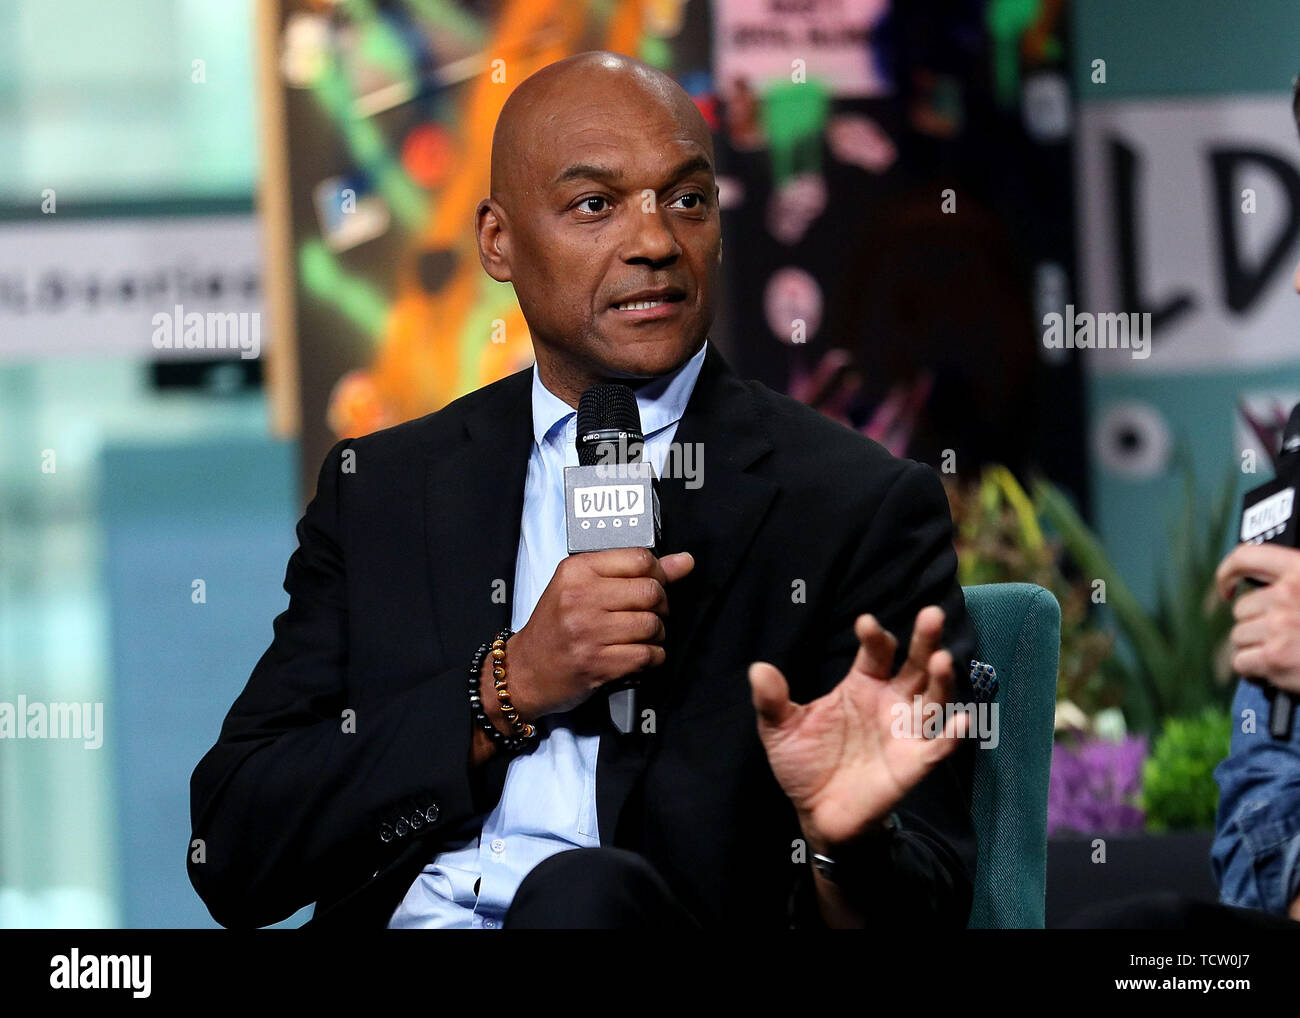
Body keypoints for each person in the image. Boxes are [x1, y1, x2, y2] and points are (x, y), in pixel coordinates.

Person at [187, 51, 979, 930]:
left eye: (686, 200)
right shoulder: (382, 492)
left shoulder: (854, 507)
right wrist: (508, 688)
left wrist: (845, 847)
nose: (654, 242)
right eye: (596, 205)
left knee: (581, 899)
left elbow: (932, 903)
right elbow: (232, 850)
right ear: (498, 242)